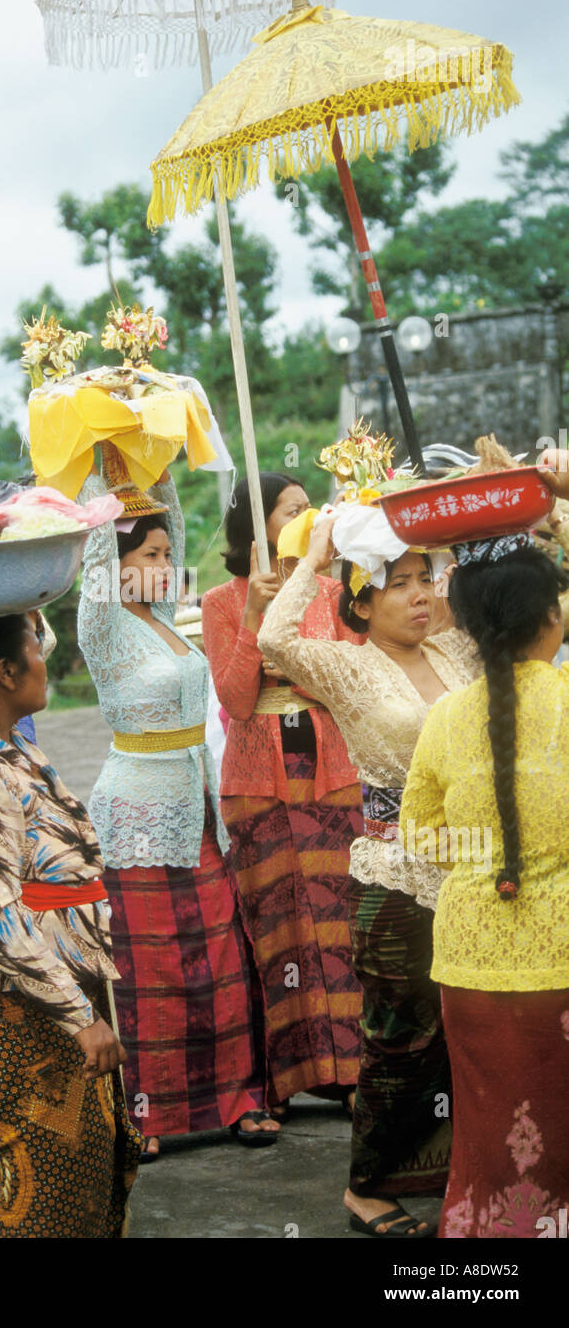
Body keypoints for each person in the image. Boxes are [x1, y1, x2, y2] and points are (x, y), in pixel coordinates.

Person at [258, 514, 479, 1237]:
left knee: (473, 1033)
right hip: (395, 879)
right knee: (399, 1039)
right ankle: (366, 1187)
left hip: (475, 871)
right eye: (398, 584)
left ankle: (467, 1173)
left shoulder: (458, 648)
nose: (419, 596)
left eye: (425, 579)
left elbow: (548, 606)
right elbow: (273, 642)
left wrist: (553, 511)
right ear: (360, 602)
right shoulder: (346, 664)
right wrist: (315, 556)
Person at [0, 611, 141, 1237]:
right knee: (43, 1196)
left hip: (46, 993)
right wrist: (78, 1014)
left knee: (84, 1172)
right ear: (6, 673)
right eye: (34, 649)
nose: (46, 657)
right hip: (14, 1005)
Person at [78, 466, 274, 1162]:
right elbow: (97, 550)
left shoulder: (167, 624)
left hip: (197, 806)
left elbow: (176, 526)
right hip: (136, 810)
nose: (165, 565)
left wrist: (154, 473)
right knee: (151, 965)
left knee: (219, 952)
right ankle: (149, 1112)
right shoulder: (102, 626)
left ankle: (237, 1100)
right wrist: (103, 470)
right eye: (149, 555)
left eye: (168, 556)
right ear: (116, 566)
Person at [401, 537, 569, 1237]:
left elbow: (417, 833)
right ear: (548, 619)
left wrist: (490, 860)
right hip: (559, 952)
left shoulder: (443, 717)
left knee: (486, 1139)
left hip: (469, 960)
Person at [202, 474, 365, 1121]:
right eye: (292, 509)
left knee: (341, 925)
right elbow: (236, 698)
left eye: (308, 508)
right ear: (257, 524)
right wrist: (251, 620)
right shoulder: (222, 601)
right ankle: (278, 1082)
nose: (306, 516)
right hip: (258, 785)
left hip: (331, 773)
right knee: (275, 931)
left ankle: (351, 1074)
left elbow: (352, 679)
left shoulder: (333, 591)